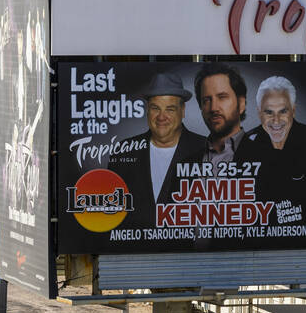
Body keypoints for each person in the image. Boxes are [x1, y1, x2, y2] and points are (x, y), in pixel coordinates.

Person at [106, 73, 206, 229]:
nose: (161, 117)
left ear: (183, 110)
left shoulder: (206, 148)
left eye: (170, 109)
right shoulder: (124, 151)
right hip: (134, 250)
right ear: (147, 110)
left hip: (188, 250)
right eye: (155, 108)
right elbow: (111, 211)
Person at [239, 75, 306, 211]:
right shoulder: (246, 144)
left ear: (293, 111)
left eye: (283, 111)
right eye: (269, 112)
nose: (276, 120)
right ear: (259, 113)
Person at [193, 63, 251, 166]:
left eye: (222, 97)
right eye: (206, 100)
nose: (213, 108)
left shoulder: (269, 159)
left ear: (241, 104)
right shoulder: (184, 165)